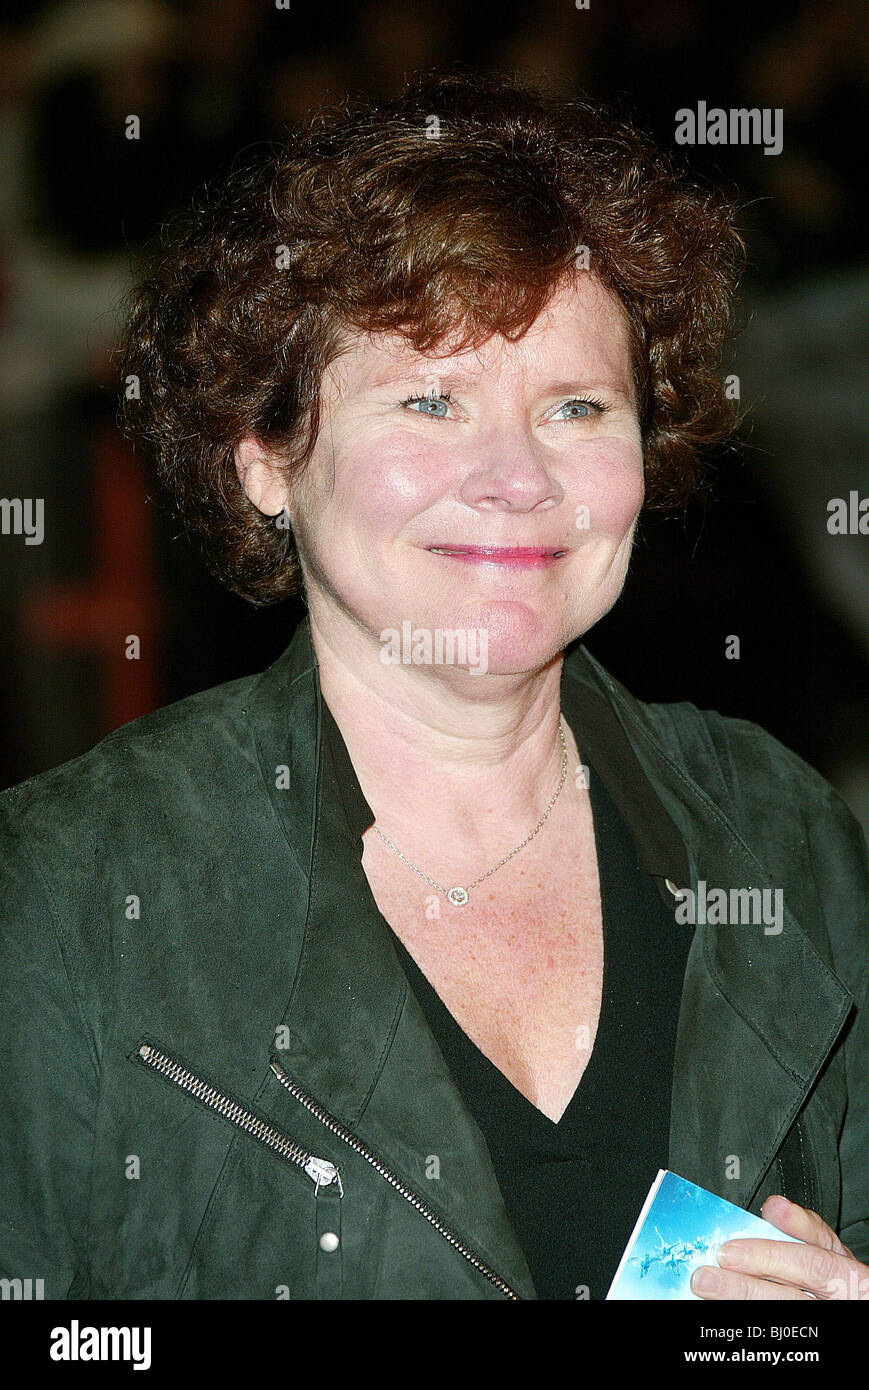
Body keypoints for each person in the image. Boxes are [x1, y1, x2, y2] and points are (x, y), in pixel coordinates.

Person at [1, 68, 866, 1302]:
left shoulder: (778, 833)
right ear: (267, 460)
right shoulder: (65, 896)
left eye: (574, 405)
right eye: (429, 399)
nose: (516, 476)